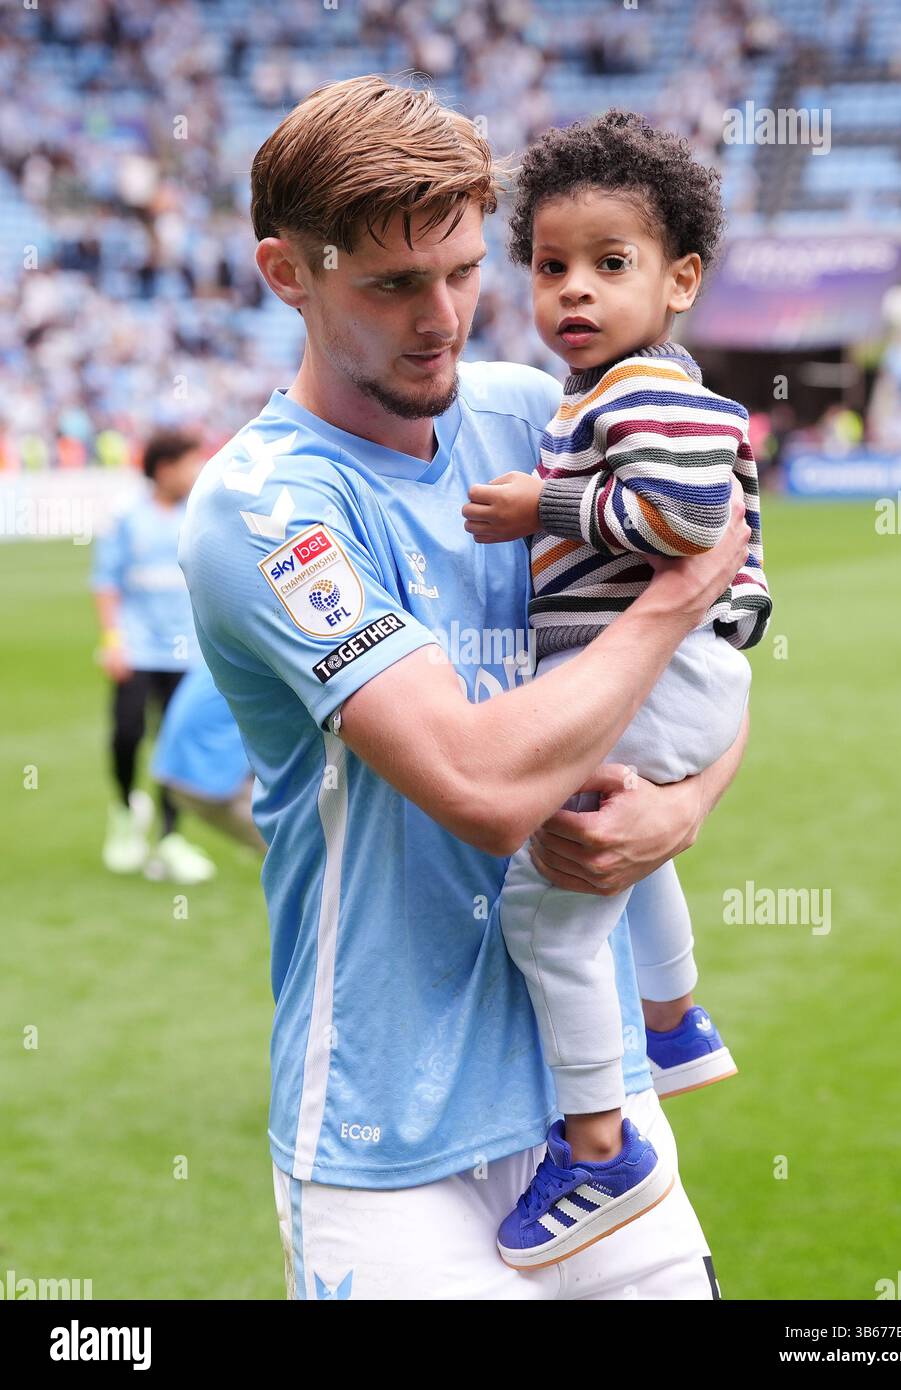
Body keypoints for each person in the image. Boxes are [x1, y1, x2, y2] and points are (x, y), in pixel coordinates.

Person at [178, 76, 751, 1300]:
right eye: (391, 285)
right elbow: (483, 787)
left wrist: (686, 803)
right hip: (389, 1144)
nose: (442, 318)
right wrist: (672, 595)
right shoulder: (268, 509)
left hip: (591, 1117)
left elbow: (721, 624)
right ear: (288, 273)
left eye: (459, 270)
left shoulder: (529, 413)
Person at [459, 111, 772, 1268]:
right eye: (549, 267)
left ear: (680, 279)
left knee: (548, 910)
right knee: (638, 839)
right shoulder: (622, 385)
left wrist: (529, 507)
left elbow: (687, 522)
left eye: (609, 264)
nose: (572, 292)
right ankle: (673, 1017)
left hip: (663, 667)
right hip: (680, 674)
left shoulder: (644, 389)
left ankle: (600, 1148)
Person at [91, 429, 217, 885]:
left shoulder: (202, 513)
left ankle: (168, 838)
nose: (197, 471)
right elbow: (106, 582)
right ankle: (126, 812)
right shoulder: (127, 515)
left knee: (174, 743)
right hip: (138, 647)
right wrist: (112, 641)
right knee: (127, 734)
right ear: (164, 468)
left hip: (188, 652)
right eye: (189, 462)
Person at [151, 663, 265, 854]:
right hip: (208, 781)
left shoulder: (225, 643)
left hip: (179, 773)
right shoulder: (271, 654)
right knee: (303, 855)